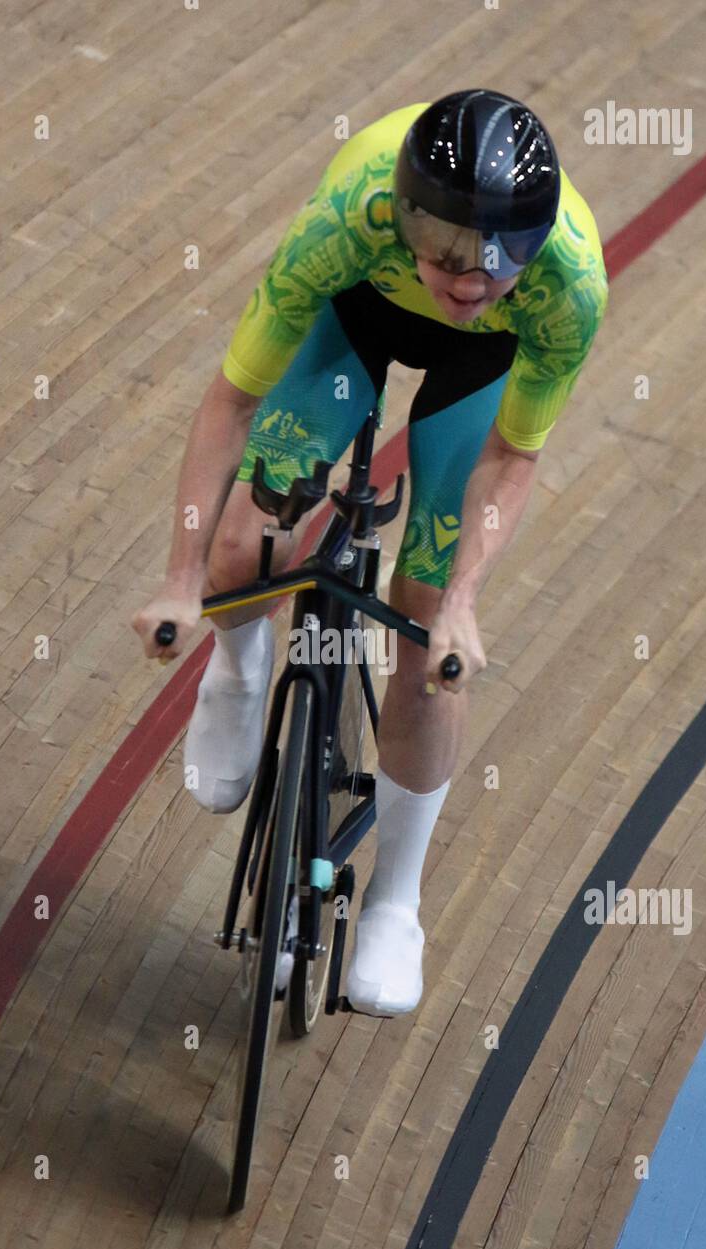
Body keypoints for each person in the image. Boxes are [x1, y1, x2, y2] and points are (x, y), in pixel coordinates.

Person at [131, 89, 608, 1017]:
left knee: (431, 637)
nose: (473, 278)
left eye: (504, 254)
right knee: (246, 544)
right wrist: (184, 583)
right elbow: (231, 401)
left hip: (487, 366)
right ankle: (235, 672)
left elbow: (513, 455)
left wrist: (465, 595)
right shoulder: (349, 218)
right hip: (356, 315)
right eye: (450, 250)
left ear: (539, 242)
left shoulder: (566, 289)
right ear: (405, 213)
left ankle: (397, 899)